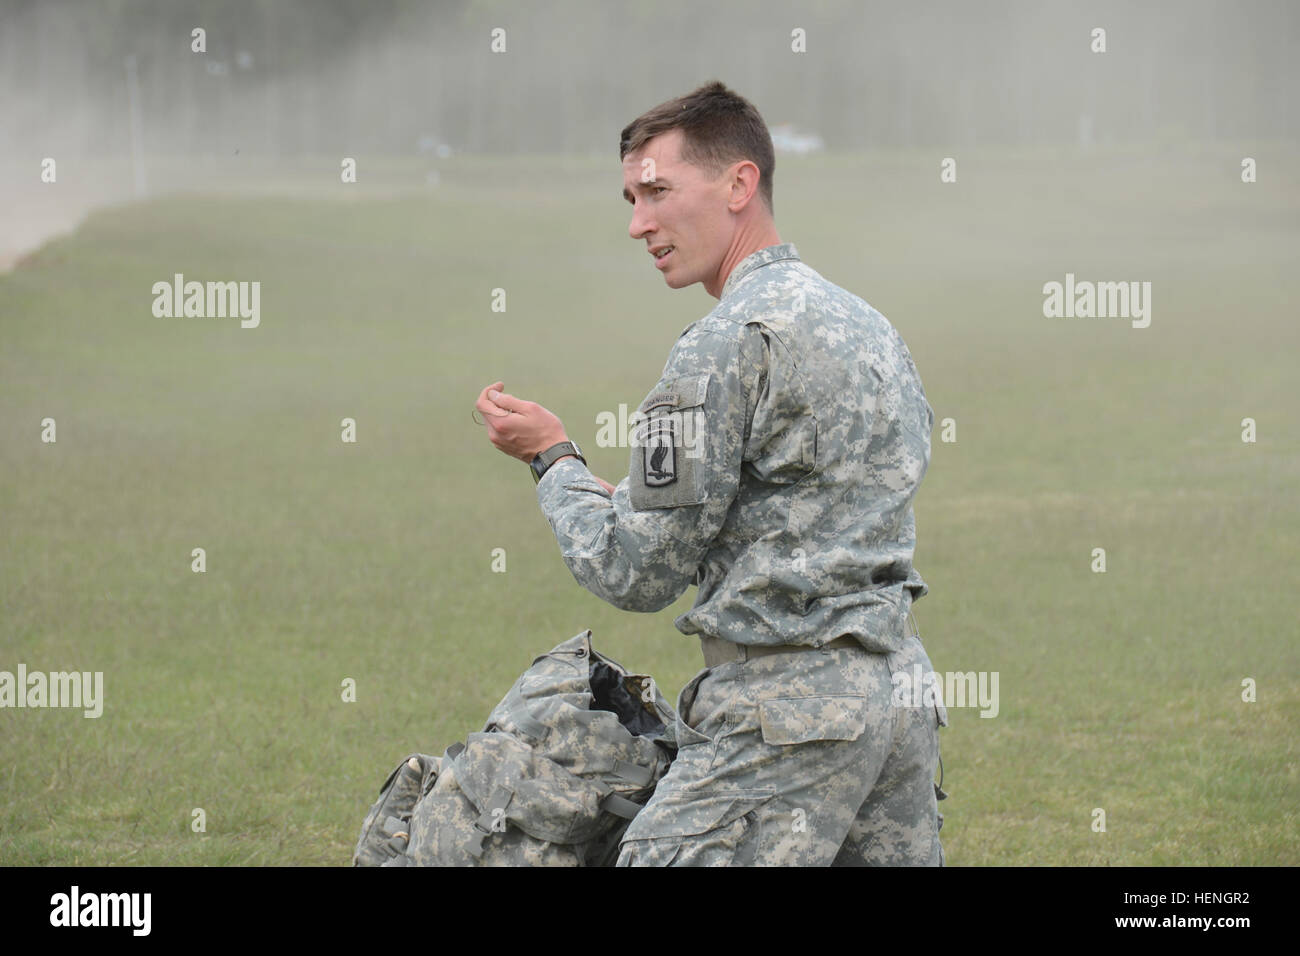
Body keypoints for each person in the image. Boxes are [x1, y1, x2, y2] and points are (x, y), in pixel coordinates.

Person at [474, 81, 945, 866]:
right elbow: (766, 506)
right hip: (899, 700)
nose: (637, 223)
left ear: (739, 184)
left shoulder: (718, 344)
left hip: (784, 719)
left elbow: (638, 569)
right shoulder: (869, 325)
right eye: (630, 198)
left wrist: (551, 460)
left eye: (657, 191)